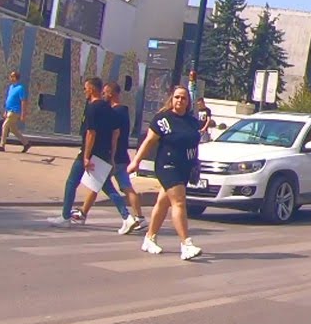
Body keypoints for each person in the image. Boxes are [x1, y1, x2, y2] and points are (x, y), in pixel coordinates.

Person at [128, 86, 203, 260]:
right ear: (172, 99)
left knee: (163, 203)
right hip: (167, 166)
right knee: (179, 203)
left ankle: (149, 238)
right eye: (177, 97)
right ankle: (186, 244)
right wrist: (136, 161)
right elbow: (148, 142)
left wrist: (195, 164)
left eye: (183, 98)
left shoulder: (191, 121)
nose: (180, 100)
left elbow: (194, 144)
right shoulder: (163, 119)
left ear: (188, 102)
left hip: (184, 167)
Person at [49, 78, 123, 226]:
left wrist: (86, 157)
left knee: (71, 182)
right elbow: (116, 133)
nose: (84, 91)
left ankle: (65, 217)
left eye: (85, 88)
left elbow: (91, 133)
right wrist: (112, 156)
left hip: (89, 154)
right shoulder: (109, 108)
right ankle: (127, 216)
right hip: (103, 154)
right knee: (107, 186)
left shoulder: (92, 108)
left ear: (92, 89)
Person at [78, 82, 145, 234]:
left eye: (105, 93)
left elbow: (115, 135)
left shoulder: (116, 112)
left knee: (102, 185)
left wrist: (112, 157)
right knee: (117, 186)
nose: (103, 96)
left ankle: (127, 216)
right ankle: (139, 217)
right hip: (121, 155)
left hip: (114, 156)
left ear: (111, 94)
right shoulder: (123, 111)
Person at [0, 71, 31, 153]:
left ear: (15, 77)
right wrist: (5, 111)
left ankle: (2, 145)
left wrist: (23, 114)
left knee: (4, 126)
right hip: (9, 111)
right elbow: (8, 100)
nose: (10, 77)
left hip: (15, 111)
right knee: (13, 130)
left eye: (12, 76)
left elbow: (23, 101)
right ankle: (26, 143)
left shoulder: (20, 88)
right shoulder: (11, 87)